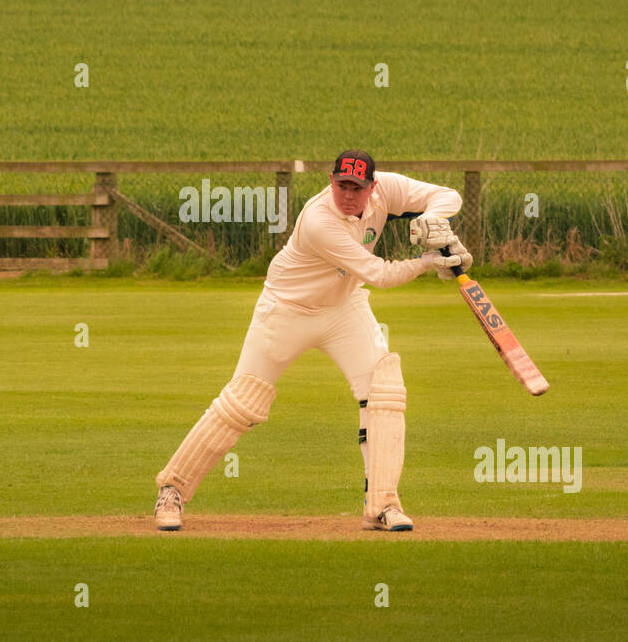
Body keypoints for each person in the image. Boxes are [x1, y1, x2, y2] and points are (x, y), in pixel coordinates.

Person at [154, 150, 471, 533]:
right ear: (331, 181)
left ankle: (383, 504)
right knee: (242, 402)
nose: (348, 195)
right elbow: (379, 274)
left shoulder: (388, 189)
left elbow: (449, 195)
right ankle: (172, 491)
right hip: (287, 309)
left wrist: (432, 221)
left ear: (373, 187)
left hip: (344, 307)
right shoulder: (321, 218)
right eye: (341, 185)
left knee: (383, 389)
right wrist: (429, 262)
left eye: (357, 187)